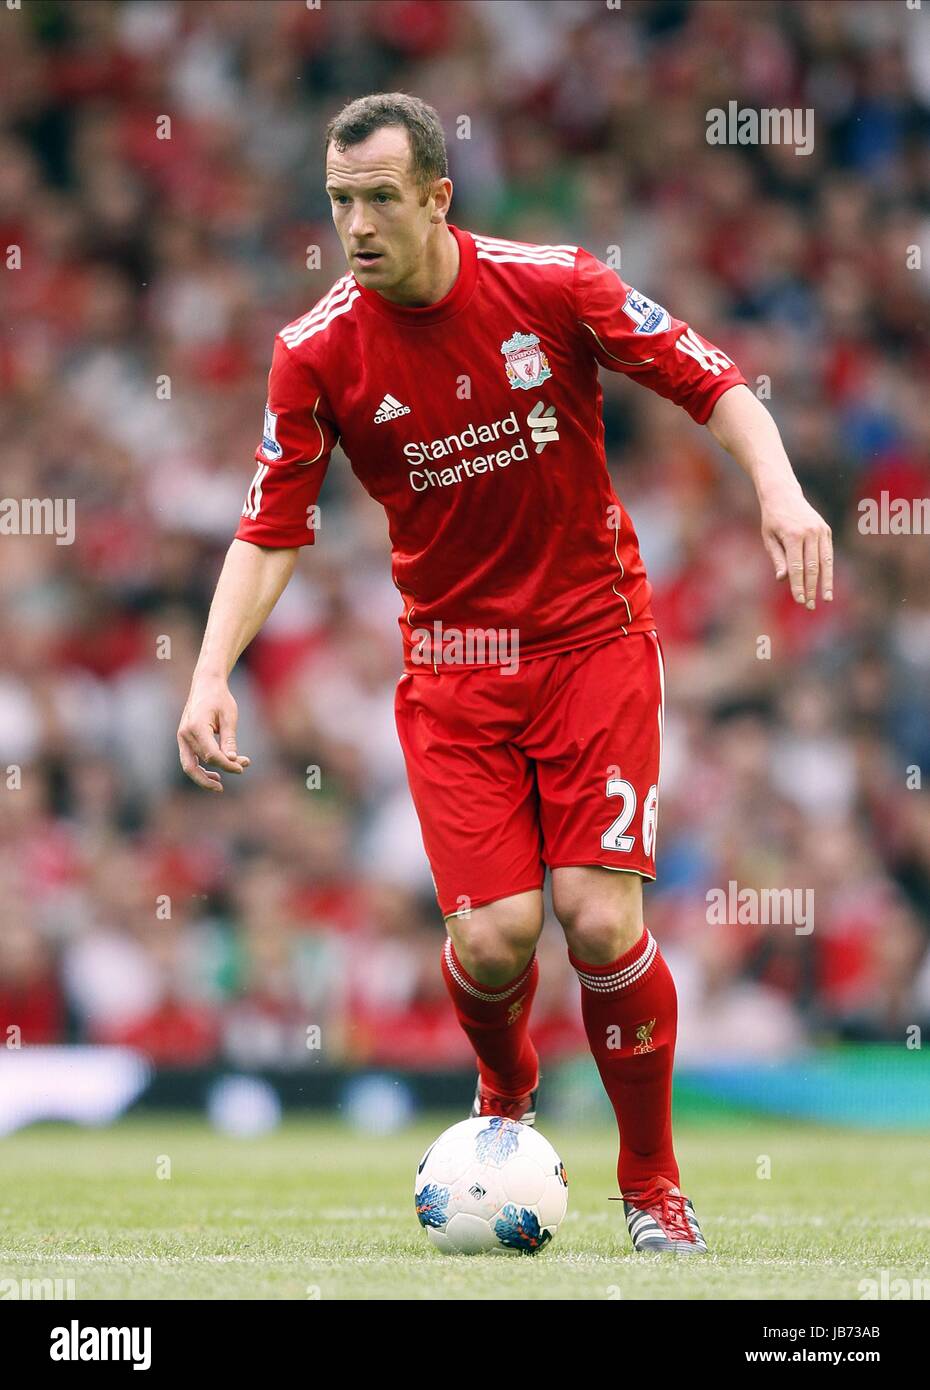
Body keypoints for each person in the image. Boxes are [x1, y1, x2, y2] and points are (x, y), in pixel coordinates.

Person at [177, 93, 833, 1255]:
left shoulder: (554, 283)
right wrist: (212, 670)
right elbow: (272, 528)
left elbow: (712, 378)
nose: (358, 224)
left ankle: (651, 1183)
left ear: (437, 196)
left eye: (381, 197)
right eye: (340, 201)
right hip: (454, 672)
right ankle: (506, 1091)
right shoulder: (314, 352)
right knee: (493, 941)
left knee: (592, 916)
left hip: (594, 645)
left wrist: (778, 488)